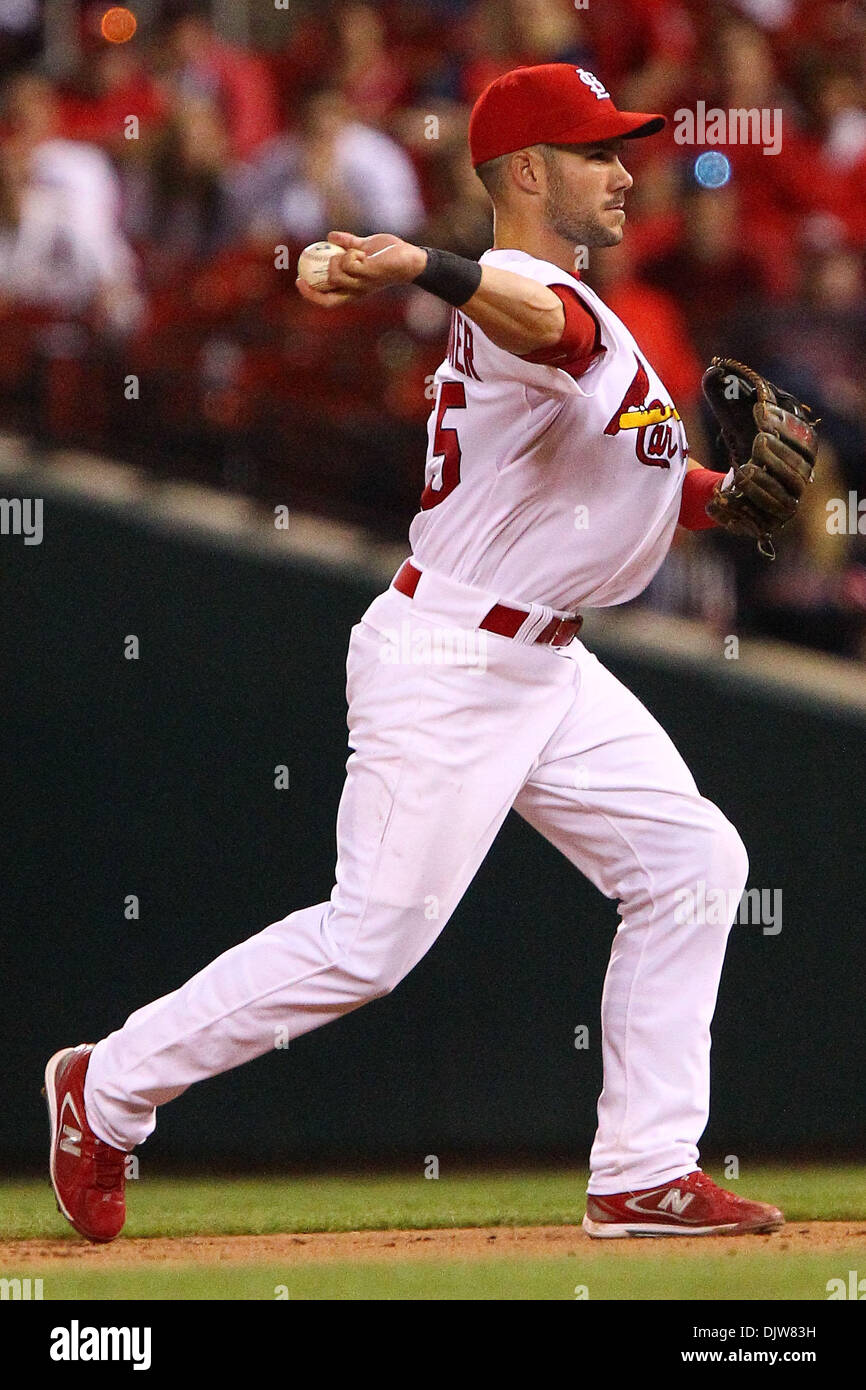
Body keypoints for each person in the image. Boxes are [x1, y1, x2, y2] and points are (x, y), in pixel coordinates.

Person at [46, 64, 786, 1243]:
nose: (621, 170)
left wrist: (718, 497)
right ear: (529, 173)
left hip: (544, 663)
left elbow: (621, 472)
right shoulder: (526, 297)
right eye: (597, 152)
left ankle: (642, 1168)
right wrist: (419, 262)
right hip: (449, 656)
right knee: (368, 943)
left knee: (693, 860)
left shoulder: (566, 315)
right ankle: (108, 1085)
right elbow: (525, 312)